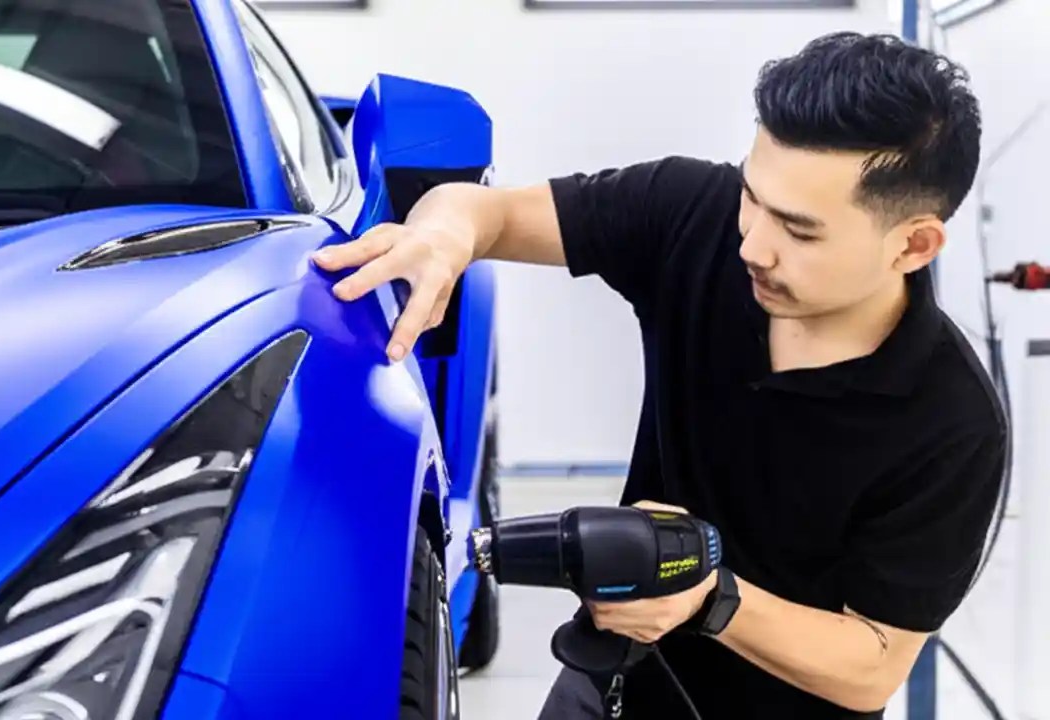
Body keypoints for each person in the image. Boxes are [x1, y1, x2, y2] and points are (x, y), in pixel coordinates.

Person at [312, 30, 1008, 719]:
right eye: (753, 196)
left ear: (913, 245)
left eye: (799, 230)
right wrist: (442, 235)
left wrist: (708, 596)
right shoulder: (694, 213)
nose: (752, 244)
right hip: (609, 687)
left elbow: (872, 666)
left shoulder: (951, 420)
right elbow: (489, 214)